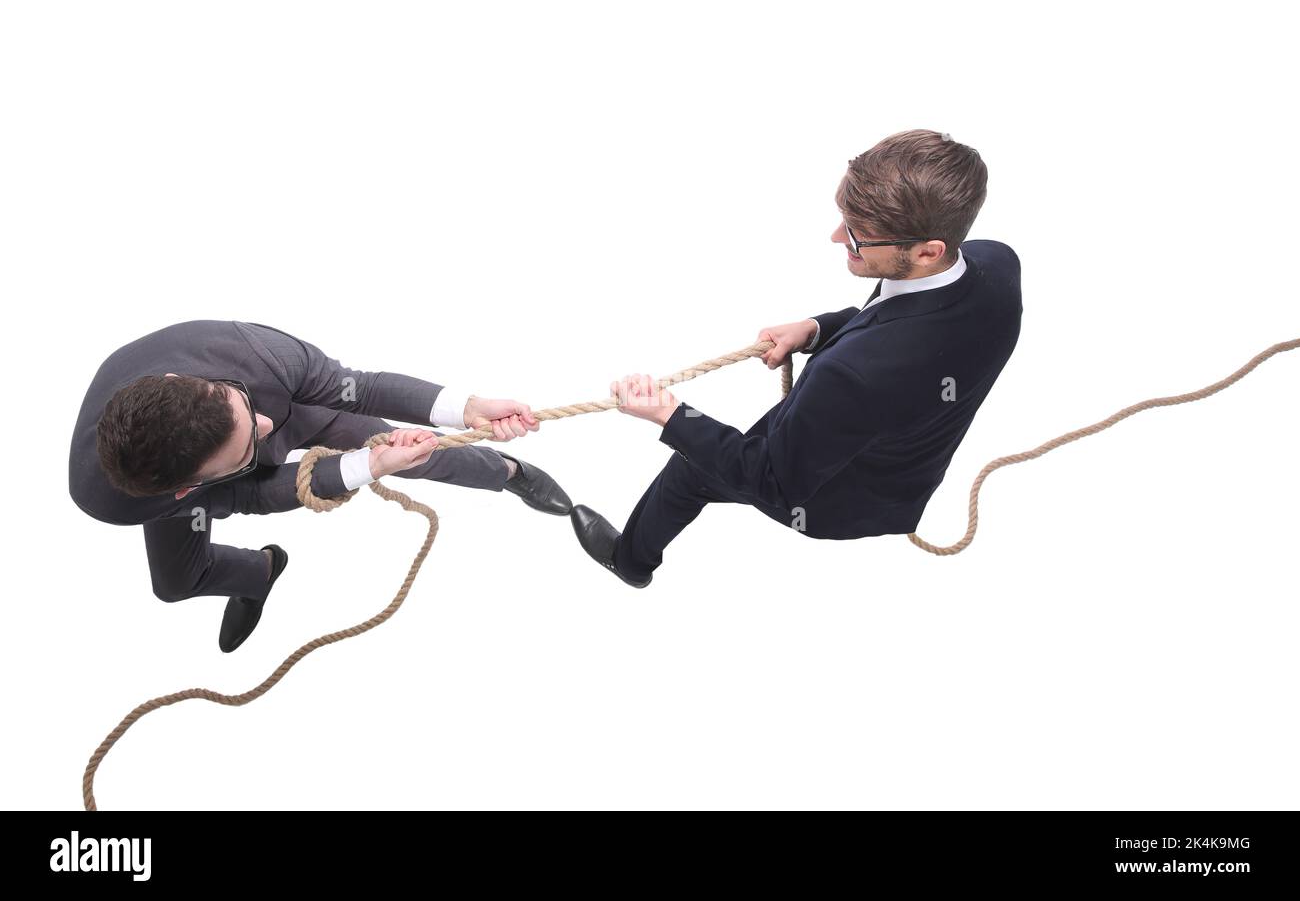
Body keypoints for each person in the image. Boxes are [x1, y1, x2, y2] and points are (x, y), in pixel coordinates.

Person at [571, 129, 1023, 587]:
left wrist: (668, 415)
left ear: (928, 251)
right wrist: (818, 329)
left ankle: (629, 562)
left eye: (857, 236)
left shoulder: (852, 375)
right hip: (907, 470)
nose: (835, 237)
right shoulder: (997, 264)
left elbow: (774, 481)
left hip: (838, 500)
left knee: (691, 468)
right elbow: (904, 317)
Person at [69, 319, 572, 651]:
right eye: (250, 443)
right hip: (205, 488)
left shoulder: (255, 354)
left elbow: (360, 388)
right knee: (175, 583)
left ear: (191, 380)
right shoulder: (116, 499)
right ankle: (259, 574)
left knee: (417, 459)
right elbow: (250, 494)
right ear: (186, 489)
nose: (265, 429)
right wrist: (363, 469)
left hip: (302, 409)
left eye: (239, 404)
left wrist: (463, 408)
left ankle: (507, 472)